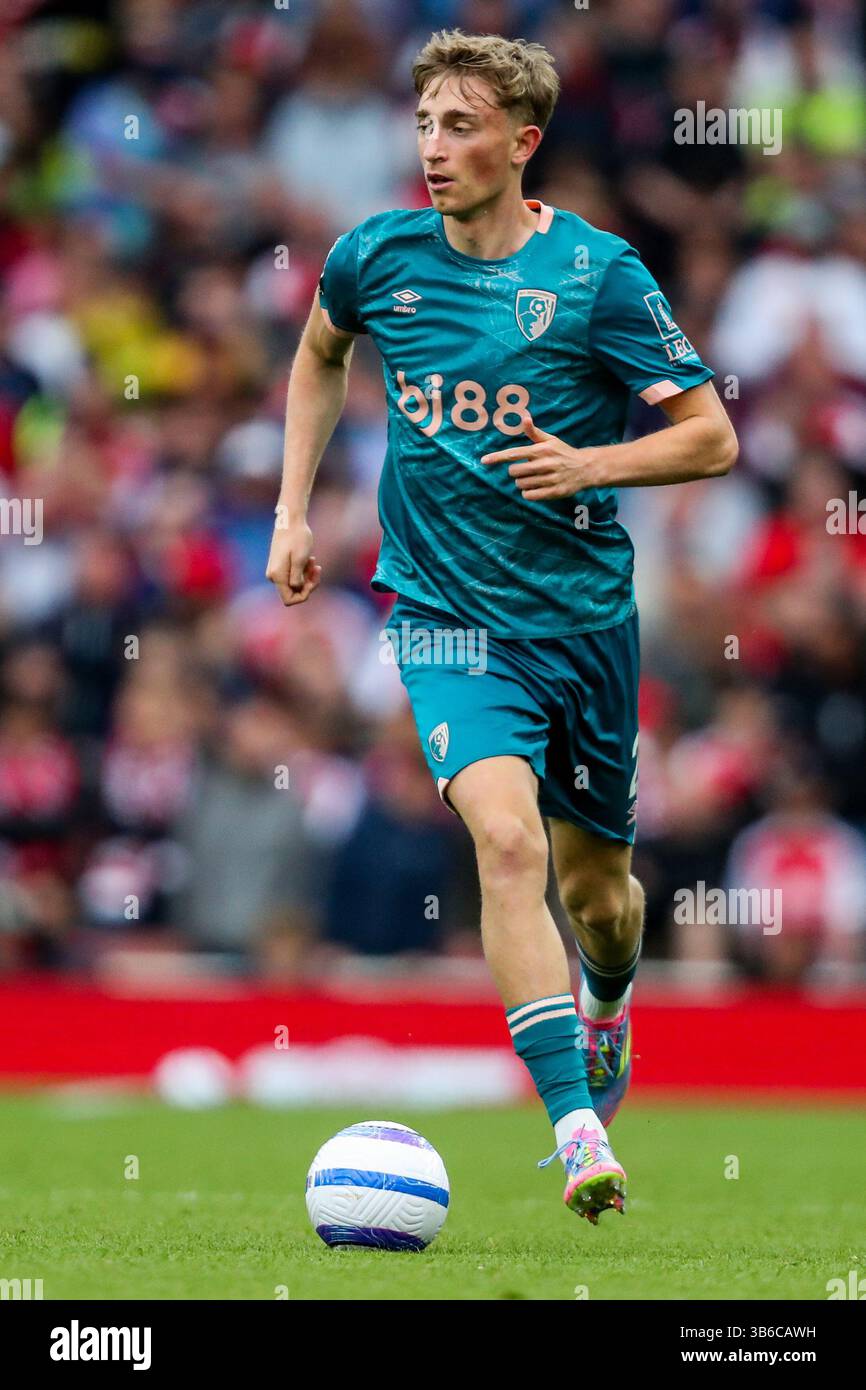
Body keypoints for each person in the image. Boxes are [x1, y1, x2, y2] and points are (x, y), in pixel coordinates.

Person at [266, 30, 738, 1226]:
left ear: (521, 144)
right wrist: (291, 510)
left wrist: (590, 458)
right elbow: (318, 359)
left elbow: (709, 436)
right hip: (441, 618)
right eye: (424, 122)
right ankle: (575, 1126)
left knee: (601, 900)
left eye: (462, 125)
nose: (434, 147)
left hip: (579, 624)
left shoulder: (597, 276)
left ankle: (610, 1002)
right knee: (506, 843)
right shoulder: (374, 257)